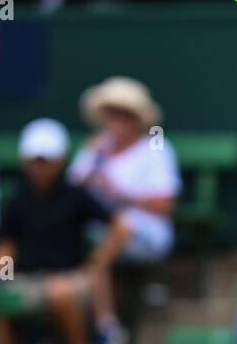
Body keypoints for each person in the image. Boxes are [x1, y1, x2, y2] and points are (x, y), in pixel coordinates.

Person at [0, 118, 128, 344]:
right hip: (28, 280)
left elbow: (119, 227)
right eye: (35, 160)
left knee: (60, 291)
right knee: (0, 304)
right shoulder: (18, 199)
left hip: (70, 279)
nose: (40, 167)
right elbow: (7, 244)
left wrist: (96, 265)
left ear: (60, 161)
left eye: (46, 160)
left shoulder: (76, 195)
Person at [68, 77, 181, 264]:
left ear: (138, 119)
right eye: (112, 113)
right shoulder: (93, 149)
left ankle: (90, 277)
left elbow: (165, 204)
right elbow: (67, 194)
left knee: (119, 230)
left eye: (125, 114)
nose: (117, 120)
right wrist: (88, 181)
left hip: (144, 234)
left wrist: (119, 194)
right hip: (94, 229)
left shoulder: (156, 148)